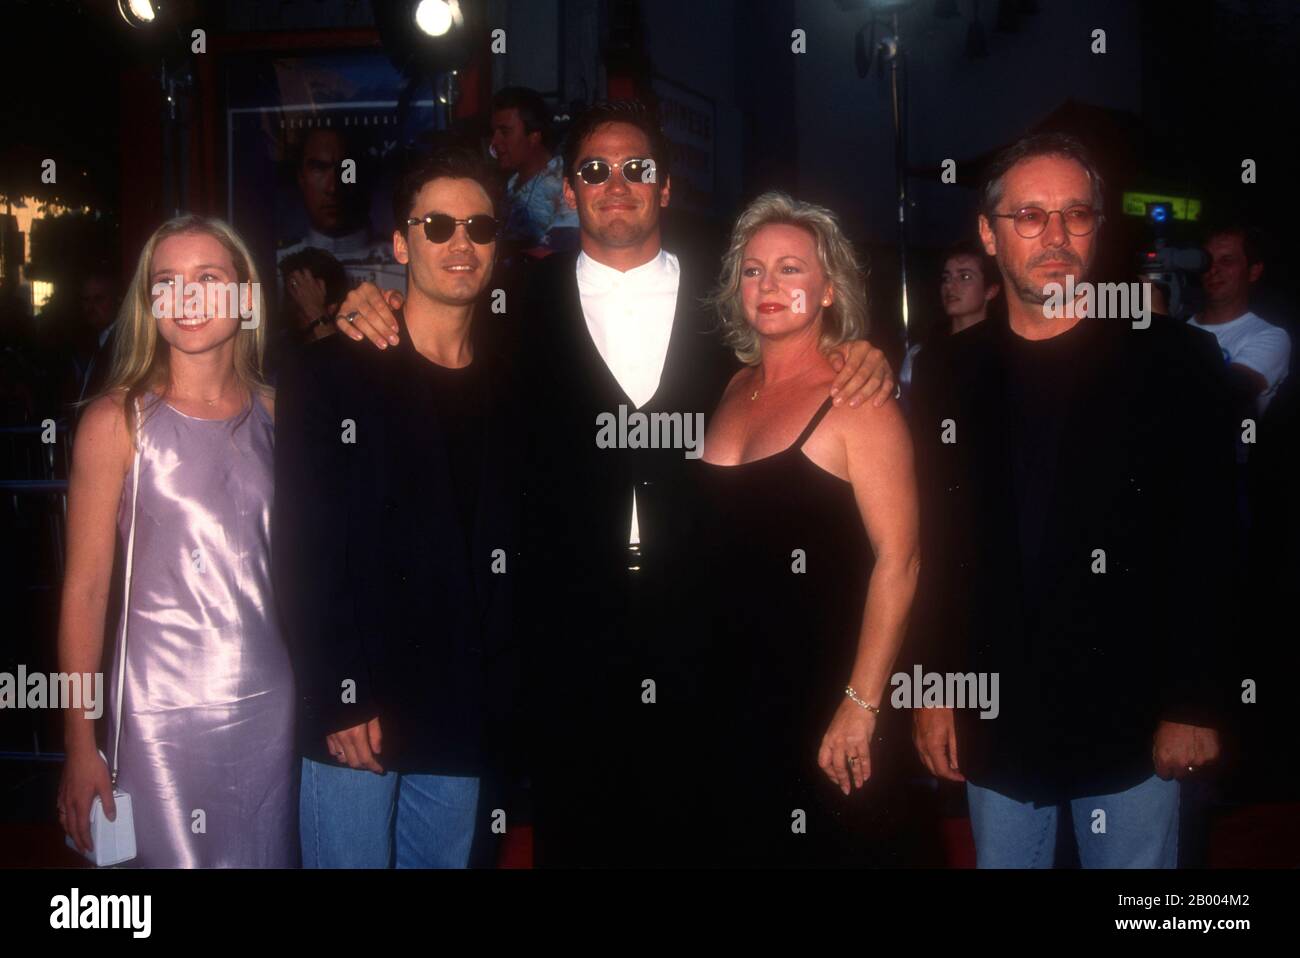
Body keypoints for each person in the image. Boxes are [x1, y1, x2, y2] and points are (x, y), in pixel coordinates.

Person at [331, 99, 896, 866]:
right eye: (595, 170)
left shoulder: (725, 295)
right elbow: (435, 326)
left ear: (666, 187)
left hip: (712, 632)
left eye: (638, 169)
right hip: (565, 639)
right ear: (567, 190)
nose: (617, 184)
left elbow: (801, 336)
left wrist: (861, 350)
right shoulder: (512, 304)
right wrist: (371, 300)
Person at [909, 133, 1236, 868]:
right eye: (1029, 215)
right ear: (990, 235)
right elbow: (931, 547)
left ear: (1099, 227)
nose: (1056, 236)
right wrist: (932, 687)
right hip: (999, 720)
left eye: (1076, 214)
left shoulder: (1172, 361)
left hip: (1132, 718)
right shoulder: (946, 371)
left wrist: (1195, 701)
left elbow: (1213, 540)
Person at [273, 148, 520, 868]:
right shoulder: (332, 371)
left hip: (464, 708)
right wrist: (334, 692)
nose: (460, 244)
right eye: (436, 225)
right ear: (400, 243)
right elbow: (300, 547)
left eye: (478, 226)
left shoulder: (517, 378)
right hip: (362, 706)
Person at [56, 215, 295, 867]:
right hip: (156, 719)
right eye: (167, 282)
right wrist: (80, 744)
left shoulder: (284, 415)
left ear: (246, 296)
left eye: (208, 278)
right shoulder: (116, 422)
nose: (186, 298)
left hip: (270, 707)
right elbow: (84, 593)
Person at [699, 193, 920, 865]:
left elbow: (900, 561)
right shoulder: (731, 387)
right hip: (732, 696)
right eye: (755, 269)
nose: (769, 286)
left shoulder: (860, 399)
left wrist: (862, 703)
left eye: (791, 269)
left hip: (824, 696)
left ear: (828, 289)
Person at [276, 127, 404, 293]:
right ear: (301, 177)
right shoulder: (277, 265)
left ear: (362, 177)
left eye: (346, 170)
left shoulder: (401, 261)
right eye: (319, 168)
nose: (333, 188)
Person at [1187, 225, 1290, 416]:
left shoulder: (1270, 336)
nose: (1213, 270)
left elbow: (1227, 398)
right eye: (1206, 261)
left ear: (1253, 272)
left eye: (1226, 261)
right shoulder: (1180, 324)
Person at [489, 87, 579, 260]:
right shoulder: (510, 185)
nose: (495, 142)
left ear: (534, 136)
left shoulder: (565, 184)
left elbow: (561, 249)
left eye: (505, 132)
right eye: (493, 133)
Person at [899, 240, 1001, 393]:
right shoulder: (920, 356)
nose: (950, 286)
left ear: (990, 291)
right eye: (947, 278)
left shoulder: (1003, 355)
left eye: (964, 277)